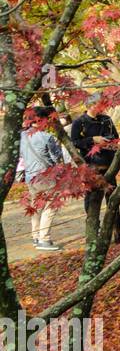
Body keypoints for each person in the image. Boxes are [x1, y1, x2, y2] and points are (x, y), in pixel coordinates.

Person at [70, 107, 120, 241]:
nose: (101, 108)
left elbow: (116, 138)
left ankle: (117, 232)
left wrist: (110, 142)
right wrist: (92, 140)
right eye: (98, 105)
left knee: (112, 196)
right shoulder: (79, 122)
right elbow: (75, 142)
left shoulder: (107, 119)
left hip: (109, 163)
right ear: (90, 105)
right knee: (92, 198)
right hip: (91, 166)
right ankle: (93, 231)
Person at [20, 106, 67, 251]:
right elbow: (57, 157)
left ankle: (35, 236)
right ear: (41, 119)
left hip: (30, 176)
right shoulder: (46, 137)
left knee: (36, 206)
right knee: (49, 207)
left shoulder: (21, 136)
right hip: (46, 177)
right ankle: (44, 239)